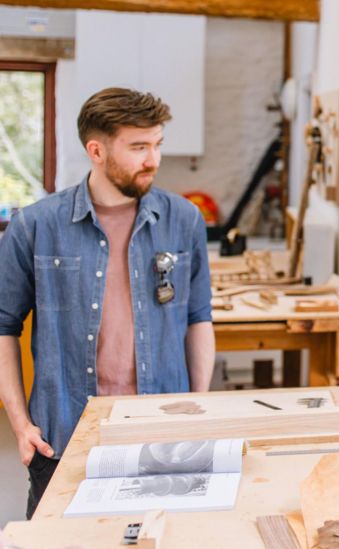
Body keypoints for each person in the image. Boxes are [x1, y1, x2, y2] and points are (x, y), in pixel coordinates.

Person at [0, 87, 215, 518]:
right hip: (64, 434)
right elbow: (4, 326)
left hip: (162, 434)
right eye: (138, 147)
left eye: (156, 145)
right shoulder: (35, 226)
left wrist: (198, 409)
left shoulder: (184, 219)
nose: (152, 159)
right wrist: (21, 425)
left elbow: (198, 319)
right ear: (96, 150)